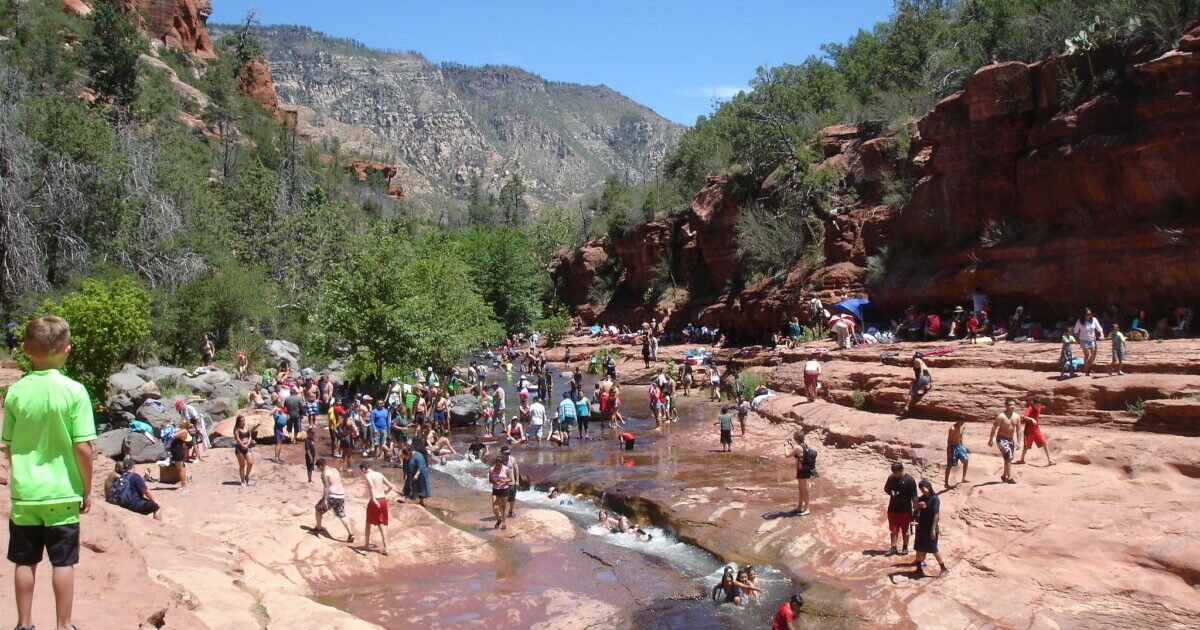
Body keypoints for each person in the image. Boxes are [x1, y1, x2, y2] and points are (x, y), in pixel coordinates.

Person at [2, 316, 99, 630]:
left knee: (24, 560)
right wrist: (86, 489)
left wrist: (20, 474)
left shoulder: (16, 393)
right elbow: (83, 448)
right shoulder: (74, 392)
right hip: (62, 492)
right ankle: (63, 624)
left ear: (27, 350)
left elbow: (7, 446)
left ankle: (24, 623)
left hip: (26, 493)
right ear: (67, 350)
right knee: (63, 562)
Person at [912, 479, 948, 577]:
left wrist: (933, 529)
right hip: (921, 526)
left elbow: (936, 514)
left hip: (930, 527)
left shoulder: (934, 499)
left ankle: (943, 568)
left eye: (924, 488)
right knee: (919, 548)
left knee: (933, 548)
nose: (923, 490)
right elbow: (914, 507)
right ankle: (919, 569)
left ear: (929, 487)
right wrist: (918, 505)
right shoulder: (922, 498)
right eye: (921, 489)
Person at [359, 462, 396, 555]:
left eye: (362, 471)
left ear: (363, 469)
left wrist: (374, 499)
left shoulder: (367, 475)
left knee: (368, 522)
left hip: (375, 500)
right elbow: (391, 486)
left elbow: (371, 487)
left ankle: (367, 545)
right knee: (381, 524)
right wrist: (386, 492)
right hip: (383, 499)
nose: (362, 473)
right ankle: (386, 547)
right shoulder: (379, 474)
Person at [313, 459, 354, 542]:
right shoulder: (335, 470)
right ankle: (351, 533)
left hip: (332, 495)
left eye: (318, 468)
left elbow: (326, 487)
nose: (318, 469)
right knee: (342, 514)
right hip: (341, 495)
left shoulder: (324, 473)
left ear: (321, 466)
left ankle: (318, 528)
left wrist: (325, 500)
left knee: (318, 509)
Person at [884, 462, 917, 555]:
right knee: (893, 529)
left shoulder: (910, 480)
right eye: (893, 473)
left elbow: (914, 495)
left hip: (905, 510)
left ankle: (905, 547)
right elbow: (886, 488)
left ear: (901, 470)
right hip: (893, 509)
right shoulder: (891, 478)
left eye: (896, 473)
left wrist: (915, 506)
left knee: (906, 530)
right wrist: (891, 492)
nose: (894, 475)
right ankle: (893, 547)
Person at [988, 398, 1022, 484]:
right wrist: (991, 439)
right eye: (1010, 405)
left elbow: (1018, 429)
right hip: (1001, 438)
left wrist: (1019, 442)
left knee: (1008, 458)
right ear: (1006, 406)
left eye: (1014, 405)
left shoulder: (1017, 417)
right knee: (1008, 455)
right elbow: (994, 427)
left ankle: (1004, 476)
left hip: (1010, 439)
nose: (1012, 406)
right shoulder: (1001, 416)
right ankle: (1009, 478)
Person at [784, 431, 817, 515]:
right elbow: (797, 453)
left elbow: (787, 455)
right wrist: (791, 446)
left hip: (803, 470)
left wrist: (785, 446)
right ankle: (799, 507)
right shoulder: (804, 445)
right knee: (801, 489)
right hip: (802, 470)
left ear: (796, 439)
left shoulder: (798, 447)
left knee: (804, 490)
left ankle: (806, 509)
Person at [1018, 395, 1055, 466]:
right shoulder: (1030, 409)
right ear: (1033, 403)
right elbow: (1024, 417)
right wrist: (1031, 419)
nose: (1038, 406)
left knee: (1044, 443)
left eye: (1039, 404)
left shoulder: (1039, 408)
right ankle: (1022, 459)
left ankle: (1049, 460)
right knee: (1026, 446)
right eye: (1037, 404)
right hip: (1028, 431)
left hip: (1036, 430)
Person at [1073, 307, 1105, 376]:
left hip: (1092, 339)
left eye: (1090, 314)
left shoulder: (1094, 320)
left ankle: (1088, 368)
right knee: (1087, 354)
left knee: (1093, 354)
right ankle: (1087, 370)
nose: (1089, 315)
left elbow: (1099, 328)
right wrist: (1077, 340)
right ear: (1084, 315)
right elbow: (1075, 331)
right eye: (1087, 314)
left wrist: (1101, 334)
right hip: (1083, 339)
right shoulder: (1079, 321)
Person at [944, 414, 969, 488]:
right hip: (952, 447)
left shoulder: (962, 427)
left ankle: (964, 478)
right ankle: (946, 483)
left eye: (963, 421)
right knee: (949, 466)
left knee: (966, 460)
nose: (963, 423)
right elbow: (949, 440)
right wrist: (949, 452)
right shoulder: (952, 429)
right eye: (961, 421)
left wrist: (962, 446)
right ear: (957, 421)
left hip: (959, 446)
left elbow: (961, 437)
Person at [489, 456, 511, 530]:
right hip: (496, 489)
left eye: (500, 464)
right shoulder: (492, 469)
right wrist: (494, 481)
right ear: (495, 463)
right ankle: (498, 520)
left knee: (503, 508)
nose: (498, 466)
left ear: (502, 463)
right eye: (497, 464)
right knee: (495, 507)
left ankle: (504, 523)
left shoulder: (506, 469)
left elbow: (510, 479)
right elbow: (490, 480)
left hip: (504, 489)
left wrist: (504, 481)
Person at [233, 414, 254, 486]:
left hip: (247, 446)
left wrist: (248, 444)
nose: (243, 422)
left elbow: (250, 436)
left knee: (250, 463)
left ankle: (247, 476)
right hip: (240, 448)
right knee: (242, 465)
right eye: (242, 421)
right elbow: (237, 438)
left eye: (244, 420)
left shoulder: (247, 427)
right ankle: (242, 480)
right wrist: (242, 445)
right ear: (239, 422)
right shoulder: (237, 429)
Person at [500, 445, 520, 519]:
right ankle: (503, 512)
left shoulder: (512, 459)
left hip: (511, 482)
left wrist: (517, 481)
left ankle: (511, 511)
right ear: (501, 453)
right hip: (502, 483)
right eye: (506, 453)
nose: (507, 455)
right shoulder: (499, 460)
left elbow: (517, 470)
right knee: (503, 499)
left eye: (508, 453)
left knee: (512, 498)